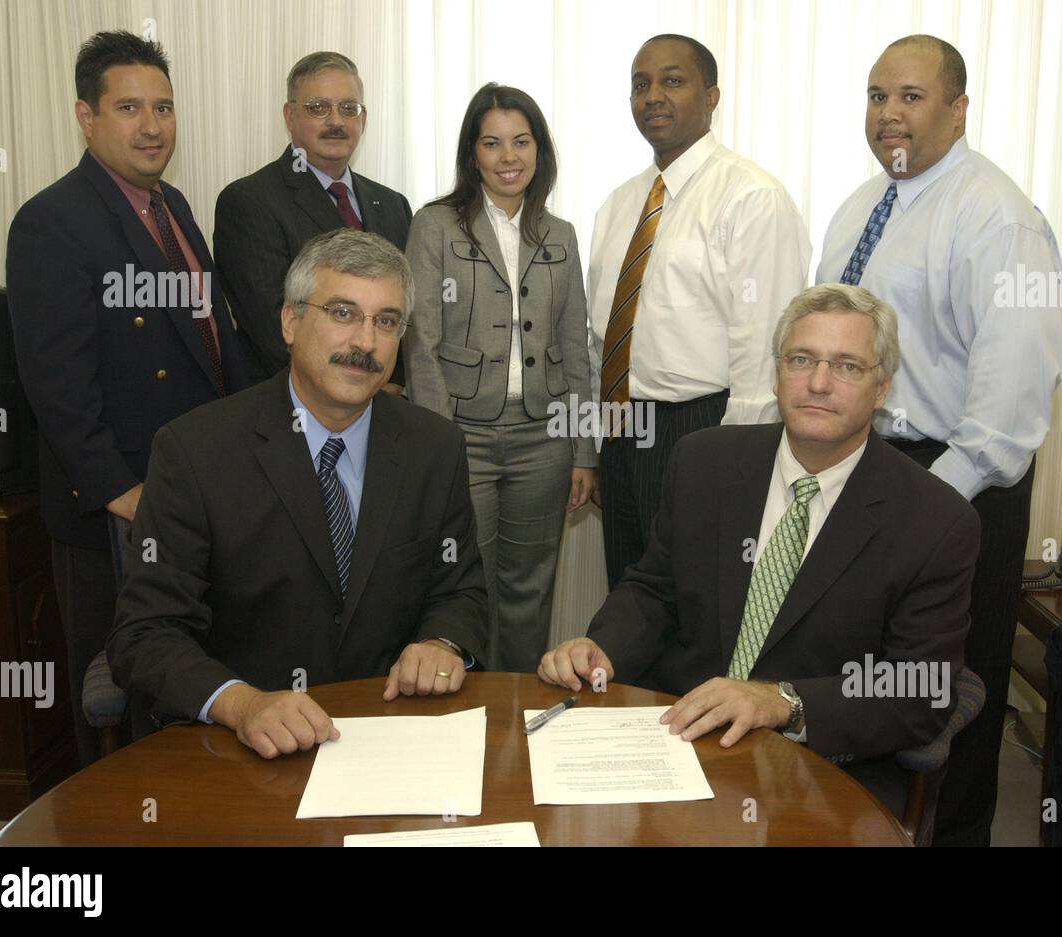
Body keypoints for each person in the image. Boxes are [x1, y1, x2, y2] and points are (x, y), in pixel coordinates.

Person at [540, 284, 980, 814]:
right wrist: (602, 648)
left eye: (846, 367)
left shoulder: (936, 519)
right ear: (776, 374)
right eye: (801, 359)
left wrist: (783, 701)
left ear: (881, 388)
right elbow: (654, 590)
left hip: (819, 770)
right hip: (676, 738)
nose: (818, 383)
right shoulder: (704, 462)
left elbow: (918, 690)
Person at [815, 34, 1062, 845]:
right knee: (871, 682)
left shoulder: (998, 218)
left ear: (959, 109)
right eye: (876, 94)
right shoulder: (861, 205)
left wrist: (909, 508)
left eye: (911, 96)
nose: (889, 113)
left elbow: (1005, 421)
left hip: (959, 483)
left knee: (953, 700)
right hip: (871, 469)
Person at [107, 230, 487, 759]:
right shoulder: (195, 451)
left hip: (391, 736)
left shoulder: (435, 446)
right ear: (290, 322)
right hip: (244, 748)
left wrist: (441, 643)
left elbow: (460, 591)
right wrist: (242, 704)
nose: (365, 342)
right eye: (342, 312)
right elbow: (145, 635)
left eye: (386, 321)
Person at [5, 30, 247, 766]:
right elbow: (56, 386)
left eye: (165, 107)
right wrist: (124, 492)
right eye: (130, 108)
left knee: (189, 685)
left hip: (193, 493)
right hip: (118, 507)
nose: (152, 126)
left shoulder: (171, 204)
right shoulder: (53, 221)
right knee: (120, 699)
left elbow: (213, 341)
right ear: (86, 117)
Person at [589, 33, 812, 588]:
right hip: (622, 430)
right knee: (629, 595)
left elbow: (768, 348)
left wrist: (737, 465)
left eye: (673, 80)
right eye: (641, 85)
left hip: (703, 428)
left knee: (698, 605)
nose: (653, 96)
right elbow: (601, 336)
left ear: (712, 96)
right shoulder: (618, 203)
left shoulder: (752, 197)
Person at [403, 83, 596, 673]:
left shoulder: (559, 233)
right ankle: (473, 712)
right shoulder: (435, 225)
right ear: (472, 154)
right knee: (469, 581)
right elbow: (420, 342)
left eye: (521, 141)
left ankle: (517, 706)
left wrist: (584, 450)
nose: (508, 156)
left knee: (529, 586)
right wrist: (440, 442)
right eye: (492, 143)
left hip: (544, 440)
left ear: (540, 150)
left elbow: (575, 346)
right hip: (464, 435)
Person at [214, 51, 412, 389]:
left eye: (349, 109)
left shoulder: (393, 205)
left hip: (383, 407)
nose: (336, 121)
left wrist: (393, 385)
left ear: (363, 120)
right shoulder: (249, 202)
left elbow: (405, 315)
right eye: (318, 108)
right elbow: (275, 329)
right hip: (290, 409)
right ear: (289, 116)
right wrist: (363, 388)